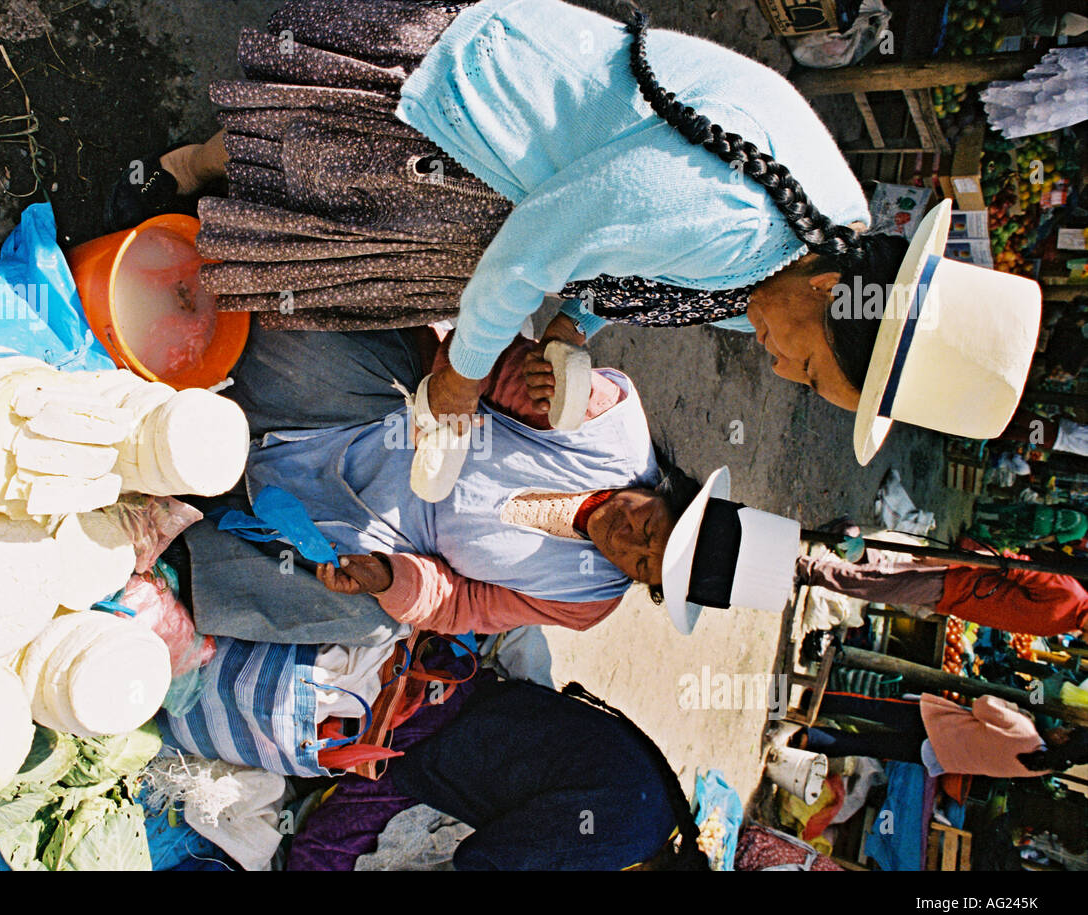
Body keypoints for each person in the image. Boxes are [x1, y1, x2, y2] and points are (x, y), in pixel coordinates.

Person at [108, 0, 903, 420]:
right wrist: (460, 373)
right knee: (312, 148)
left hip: (523, 190)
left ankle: (223, 216)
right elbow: (534, 250)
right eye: (806, 366)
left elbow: (647, 265)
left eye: (800, 382)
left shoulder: (808, 258)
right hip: (488, 101)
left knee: (348, 212)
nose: (777, 368)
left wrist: (574, 327)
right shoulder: (730, 214)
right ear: (833, 295)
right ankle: (190, 167)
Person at [171, 324, 708, 644]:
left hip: (377, 530)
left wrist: (387, 577)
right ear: (668, 491)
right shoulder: (609, 427)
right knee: (259, 357)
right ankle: (193, 371)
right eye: (653, 527)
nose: (628, 539)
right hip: (398, 408)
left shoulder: (584, 601)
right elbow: (482, 359)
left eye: (642, 564)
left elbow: (460, 605)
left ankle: (177, 556)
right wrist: (528, 381)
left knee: (369, 618)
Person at [287, 664, 710, 871]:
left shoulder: (656, 817)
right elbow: (482, 859)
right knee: (317, 861)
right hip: (433, 732)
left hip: (475, 705)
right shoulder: (617, 838)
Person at [797, 549, 1088, 638]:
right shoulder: (1072, 596)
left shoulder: (1068, 625)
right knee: (876, 582)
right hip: (955, 581)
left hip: (951, 601)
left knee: (881, 580)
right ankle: (808, 568)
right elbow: (1011, 564)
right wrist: (950, 560)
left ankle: (842, 548)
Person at [794, 691, 1088, 779]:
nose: (1060, 727)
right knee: (866, 745)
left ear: (1065, 739)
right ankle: (810, 739)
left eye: (1066, 729)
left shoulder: (1026, 729)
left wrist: (1014, 708)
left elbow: (982, 704)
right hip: (938, 756)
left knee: (873, 709)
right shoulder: (1040, 768)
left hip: (937, 726)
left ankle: (812, 701)